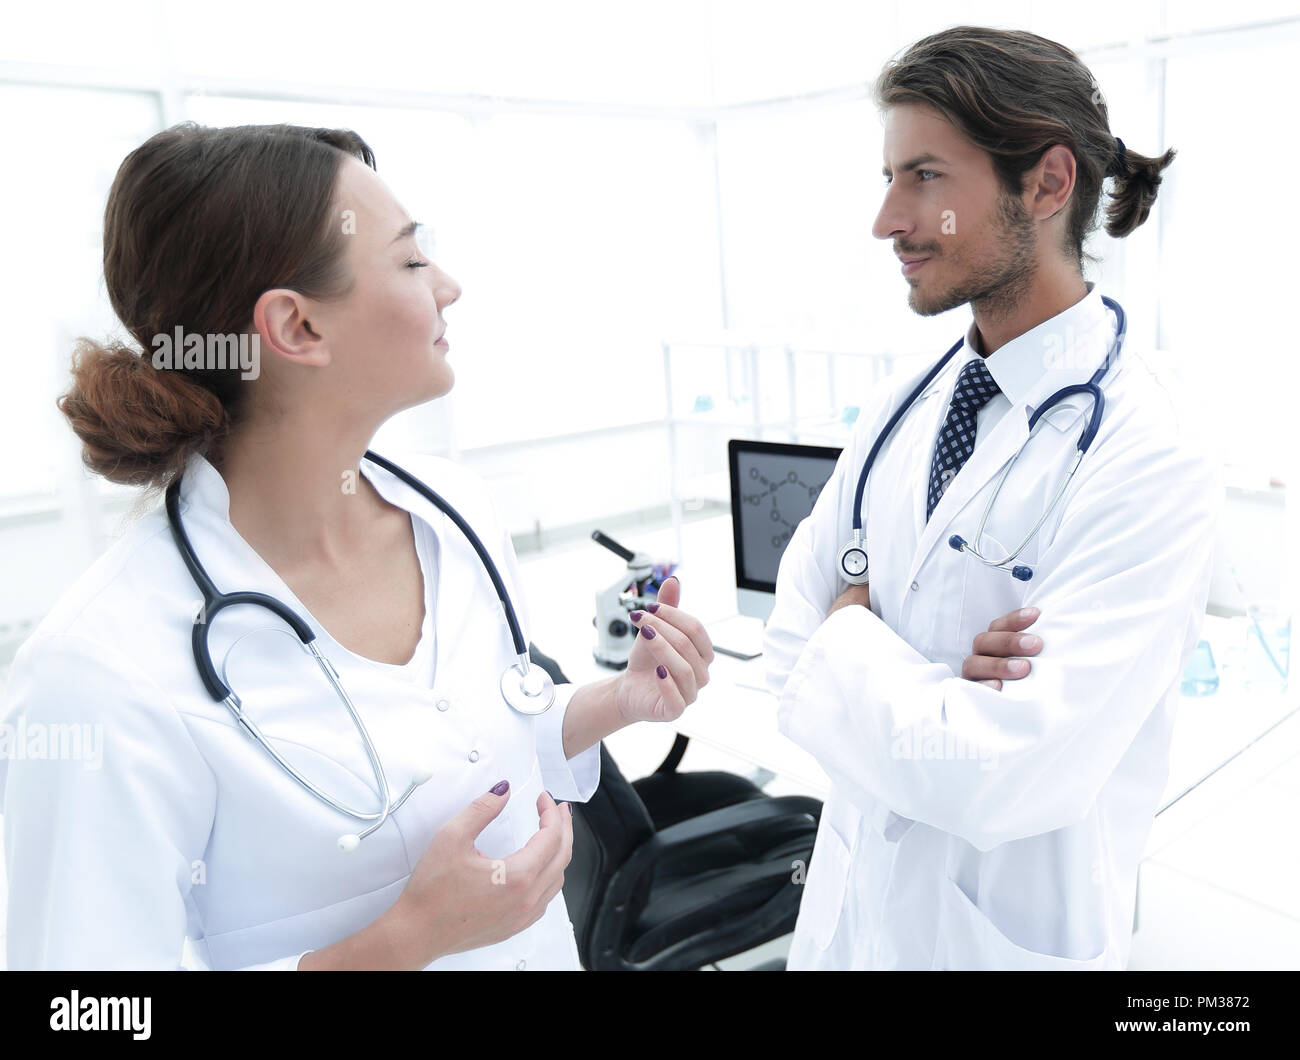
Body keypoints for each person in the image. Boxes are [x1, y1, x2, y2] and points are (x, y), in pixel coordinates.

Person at [0, 122, 713, 970]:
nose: (449, 286)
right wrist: (396, 946)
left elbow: (480, 740)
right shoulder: (102, 674)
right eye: (411, 261)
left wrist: (612, 706)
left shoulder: (454, 514)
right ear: (297, 328)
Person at [764, 27, 1222, 969]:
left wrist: (853, 638)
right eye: (889, 177)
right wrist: (933, 691)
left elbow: (1006, 777)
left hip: (998, 943)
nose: (888, 218)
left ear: (1048, 184)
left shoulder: (1148, 449)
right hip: (850, 923)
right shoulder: (906, 402)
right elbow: (786, 634)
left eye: (924, 176)